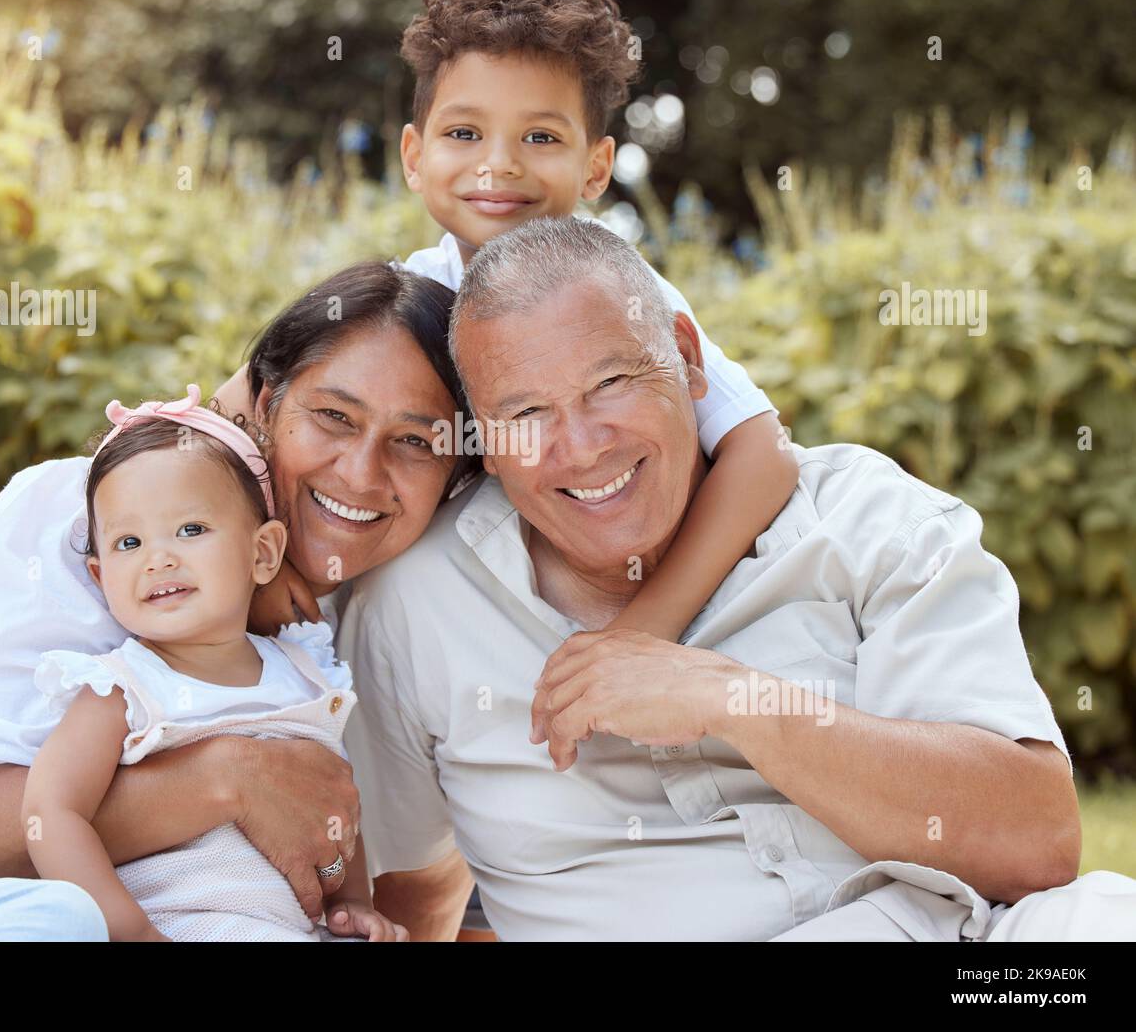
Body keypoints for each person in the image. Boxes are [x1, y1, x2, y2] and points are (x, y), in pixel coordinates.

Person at [338, 215, 1136, 942]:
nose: (580, 448)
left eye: (611, 382)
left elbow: (1038, 838)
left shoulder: (866, 519)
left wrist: (734, 700)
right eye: (525, 415)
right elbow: (413, 896)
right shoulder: (415, 605)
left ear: (687, 359)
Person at [0, 262, 467, 941]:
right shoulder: (90, 524)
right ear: (263, 401)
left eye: (414, 441)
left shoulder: (354, 632)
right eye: (333, 416)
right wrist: (229, 777)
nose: (361, 471)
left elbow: (413, 884)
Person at [392, 0, 801, 644]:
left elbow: (765, 455)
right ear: (413, 156)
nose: (500, 163)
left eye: (541, 136)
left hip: (599, 611)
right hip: (449, 626)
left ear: (596, 167)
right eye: (465, 133)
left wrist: (643, 632)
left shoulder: (618, 296)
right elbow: (251, 410)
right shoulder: (397, 300)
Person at [22, 385, 405, 942]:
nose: (159, 558)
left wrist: (351, 904)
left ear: (263, 553)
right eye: (129, 542)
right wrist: (127, 930)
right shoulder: (122, 687)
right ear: (102, 578)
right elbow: (50, 812)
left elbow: (335, 801)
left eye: (191, 530)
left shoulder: (304, 672)